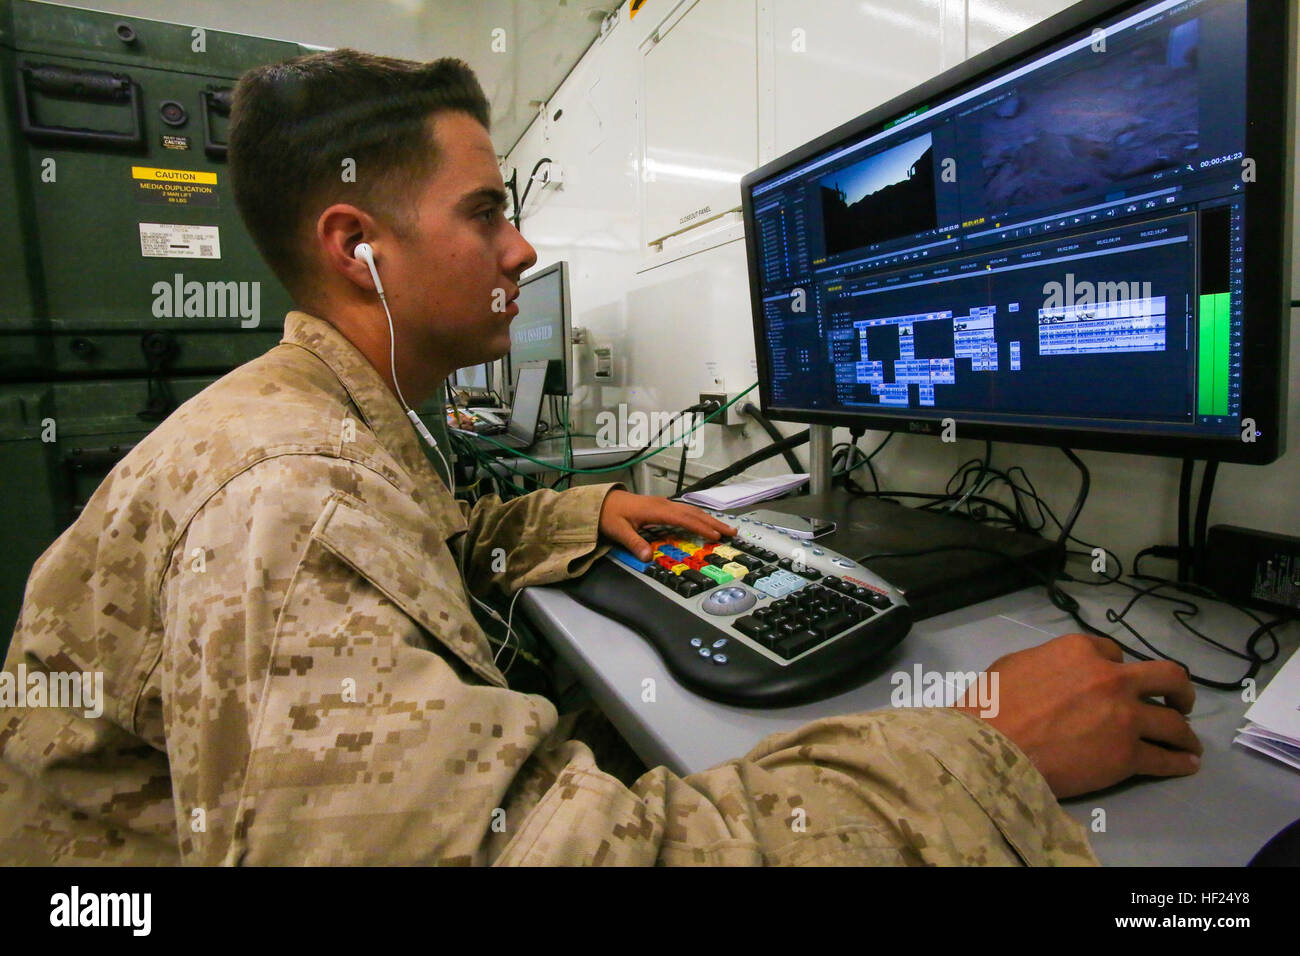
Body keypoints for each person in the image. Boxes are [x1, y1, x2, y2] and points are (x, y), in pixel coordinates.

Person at [0, 50, 1202, 866]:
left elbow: (427, 542)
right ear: (358, 247)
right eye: (485, 213)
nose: (520, 247)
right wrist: (983, 747)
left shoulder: (321, 422)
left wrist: (580, 511)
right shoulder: (289, 500)